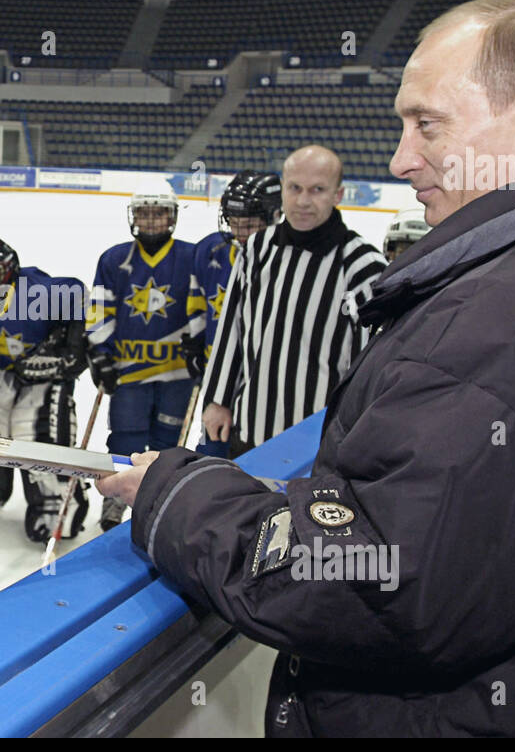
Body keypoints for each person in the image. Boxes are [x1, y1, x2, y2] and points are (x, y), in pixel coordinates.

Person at [99, 0, 515, 737]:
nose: (401, 157)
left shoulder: (501, 321)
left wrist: (178, 496)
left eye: (428, 124)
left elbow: (373, 583)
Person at [202, 146, 385, 456]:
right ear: (283, 189)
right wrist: (218, 399)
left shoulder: (362, 265)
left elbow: (368, 361)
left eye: (317, 190)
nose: (303, 201)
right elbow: (232, 327)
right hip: (250, 428)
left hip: (318, 439)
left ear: (337, 194)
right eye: (295, 188)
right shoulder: (257, 248)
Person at [0, 234, 88, 543]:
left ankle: (56, 500)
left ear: (9, 270)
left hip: (45, 367)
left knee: (30, 427)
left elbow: (82, 294)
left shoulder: (35, 291)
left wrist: (74, 345)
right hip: (8, 368)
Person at [86, 189, 204, 530]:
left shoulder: (192, 256)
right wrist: (100, 355)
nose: (151, 221)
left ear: (172, 218)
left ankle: (162, 501)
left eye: (158, 214)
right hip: (129, 373)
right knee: (125, 439)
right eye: (145, 214)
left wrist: (201, 349)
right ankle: (115, 499)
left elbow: (202, 308)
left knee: (168, 444)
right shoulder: (114, 259)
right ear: (133, 217)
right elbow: (100, 310)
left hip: (176, 374)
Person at [191, 170, 281, 457]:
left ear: (275, 216)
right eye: (234, 223)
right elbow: (197, 305)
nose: (240, 233)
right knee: (210, 458)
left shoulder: (290, 262)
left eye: (250, 224)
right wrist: (195, 341)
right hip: (219, 383)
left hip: (266, 389)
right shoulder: (211, 250)